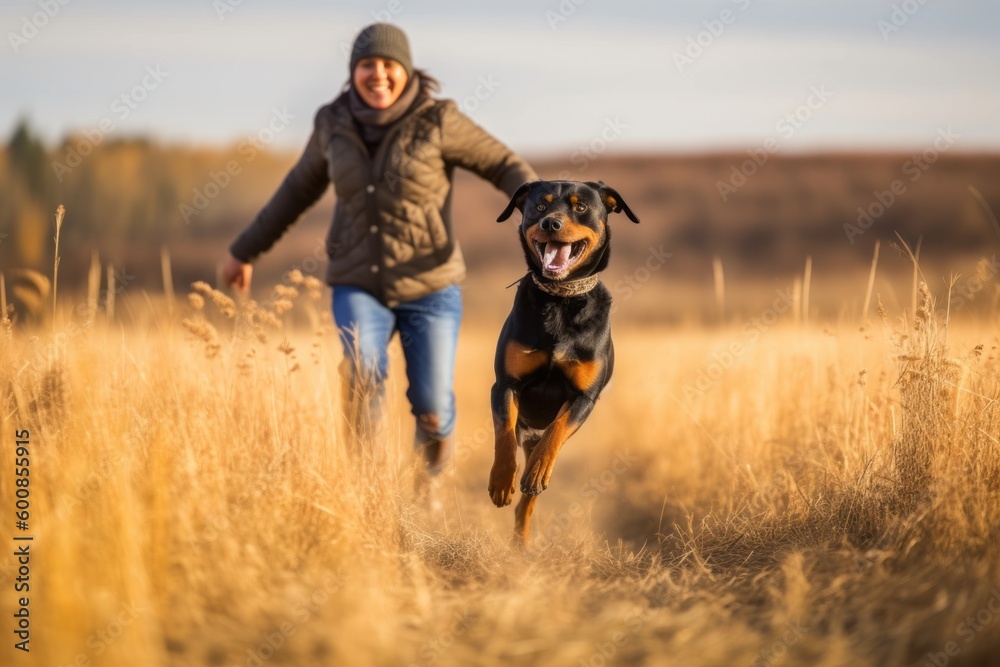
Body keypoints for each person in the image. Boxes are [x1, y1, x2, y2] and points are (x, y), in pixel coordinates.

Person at [222, 23, 537, 499]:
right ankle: (367, 493)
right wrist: (245, 250)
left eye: (389, 65)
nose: (379, 74)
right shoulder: (332, 122)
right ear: (354, 72)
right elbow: (296, 191)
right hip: (357, 282)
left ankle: (426, 485)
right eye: (367, 65)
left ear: (406, 70)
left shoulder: (438, 120)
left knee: (432, 406)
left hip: (430, 284)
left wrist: (538, 211)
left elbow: (504, 164)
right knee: (363, 377)